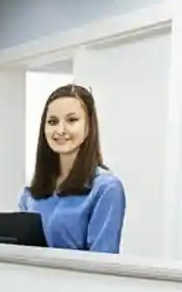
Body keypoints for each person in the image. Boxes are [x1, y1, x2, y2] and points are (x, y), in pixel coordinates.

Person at [19, 84, 126, 254]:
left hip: (79, 280)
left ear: (89, 127)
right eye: (53, 122)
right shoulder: (30, 194)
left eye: (71, 120)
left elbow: (103, 260)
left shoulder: (106, 188)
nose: (60, 130)